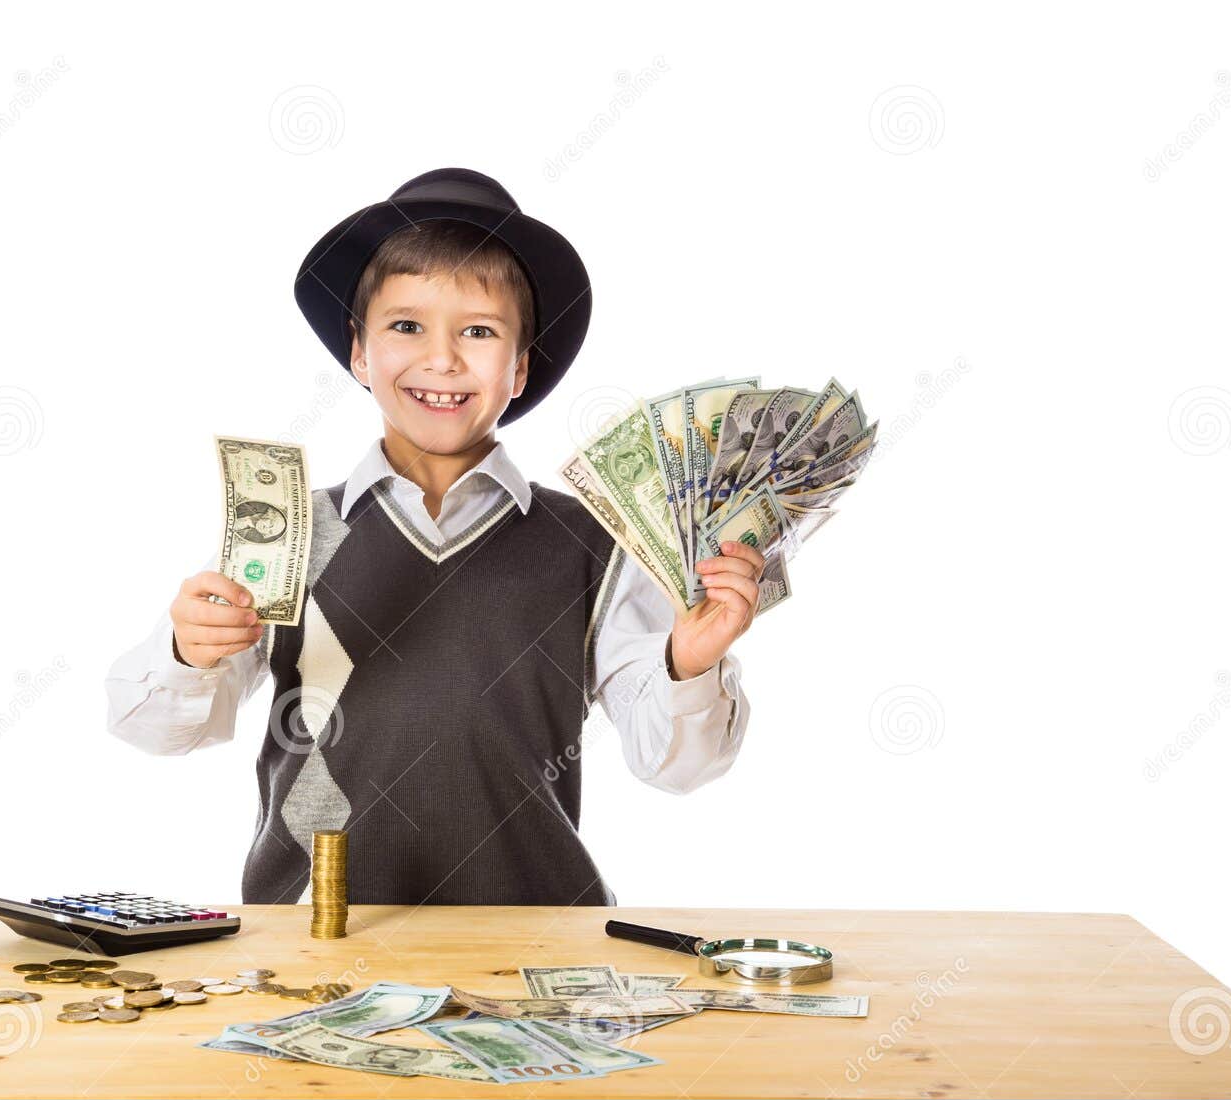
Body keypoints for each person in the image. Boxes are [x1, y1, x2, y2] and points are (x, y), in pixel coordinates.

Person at [105, 167, 766, 906]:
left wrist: (689, 663)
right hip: (315, 947)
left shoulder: (596, 544)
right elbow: (157, 731)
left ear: (520, 366)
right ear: (359, 353)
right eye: (406, 326)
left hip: (532, 946)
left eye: (478, 331)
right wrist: (188, 650)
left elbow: (676, 765)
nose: (443, 359)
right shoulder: (288, 528)